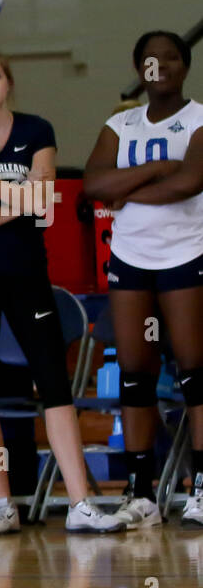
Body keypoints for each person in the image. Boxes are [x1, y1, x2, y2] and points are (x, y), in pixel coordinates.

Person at [0, 50, 124, 534]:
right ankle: (4, 506)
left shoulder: (36, 131)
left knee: (54, 383)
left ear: (8, 82)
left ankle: (81, 503)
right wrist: (18, 202)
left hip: (27, 276)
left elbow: (47, 201)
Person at [83, 30, 203, 528]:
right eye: (150, 60)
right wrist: (156, 167)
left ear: (184, 66)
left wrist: (126, 190)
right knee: (135, 375)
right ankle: (141, 492)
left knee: (195, 374)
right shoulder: (120, 124)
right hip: (130, 258)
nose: (161, 66)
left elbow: (191, 182)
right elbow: (93, 184)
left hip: (186, 254)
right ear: (140, 69)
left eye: (171, 57)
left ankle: (200, 487)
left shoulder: (199, 118)